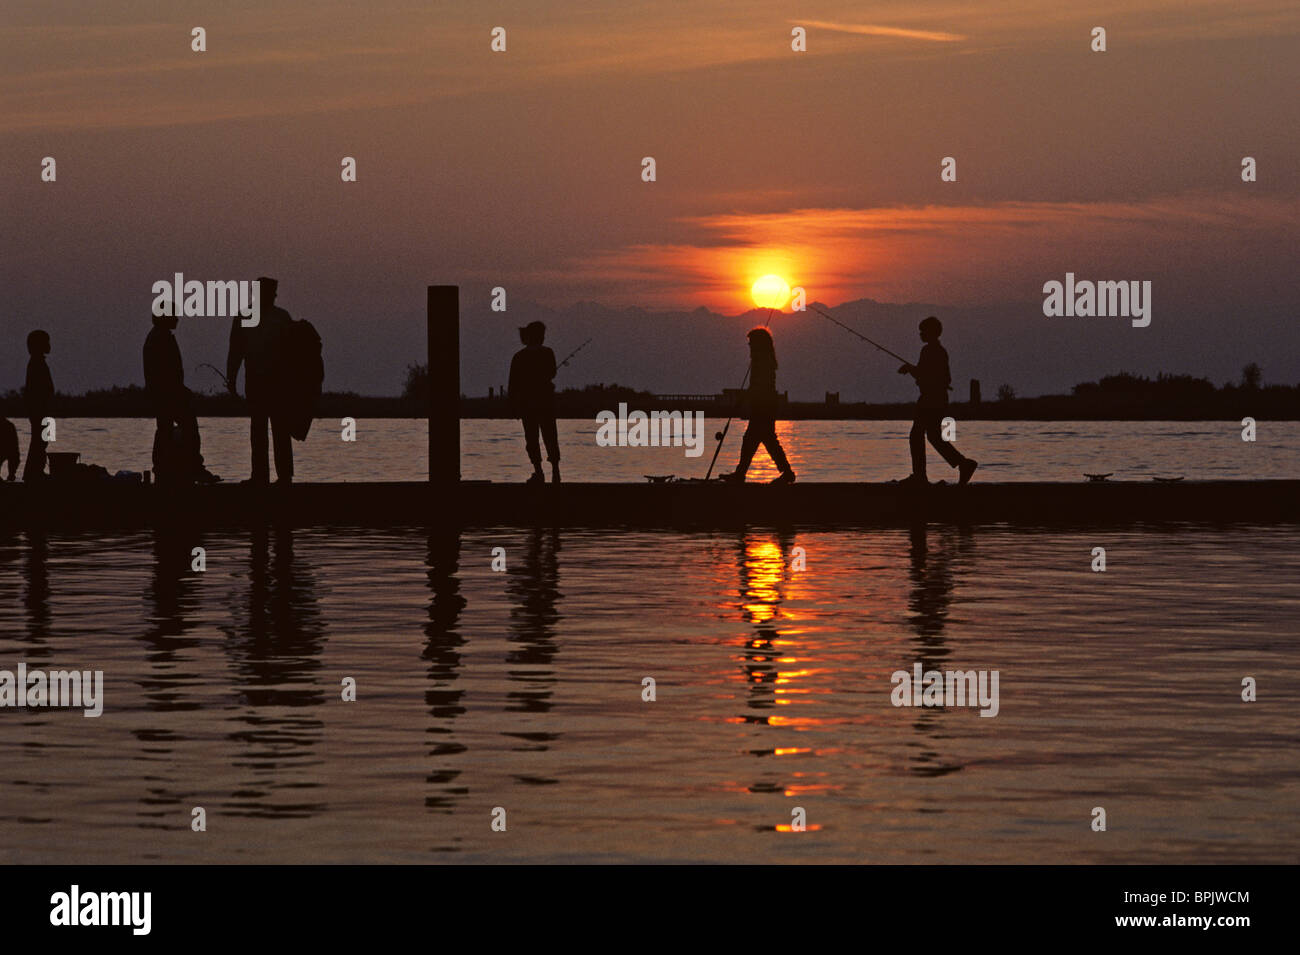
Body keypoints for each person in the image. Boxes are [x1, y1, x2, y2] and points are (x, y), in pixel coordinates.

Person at [897, 316, 977, 485]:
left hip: (930, 399)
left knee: (916, 434)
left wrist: (910, 369)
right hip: (939, 399)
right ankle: (963, 463)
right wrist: (913, 370)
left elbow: (923, 374)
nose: (920, 334)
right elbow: (937, 375)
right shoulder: (940, 351)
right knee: (933, 436)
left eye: (923, 331)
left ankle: (920, 476)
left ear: (931, 333)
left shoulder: (929, 350)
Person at [227, 276, 293, 484]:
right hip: (259, 383)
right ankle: (265, 476)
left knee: (274, 430)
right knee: (263, 430)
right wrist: (231, 378)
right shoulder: (254, 317)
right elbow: (236, 351)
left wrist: (232, 379)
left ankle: (277, 476)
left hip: (275, 383)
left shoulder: (280, 318)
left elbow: (294, 353)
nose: (272, 297)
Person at [143, 312, 219, 484]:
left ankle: (164, 470)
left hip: (165, 395)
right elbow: (165, 372)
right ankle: (193, 468)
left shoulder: (158, 337)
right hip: (168, 396)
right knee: (188, 427)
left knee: (166, 431)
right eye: (173, 316)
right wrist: (179, 391)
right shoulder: (159, 339)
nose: (177, 319)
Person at [721, 327, 795, 484]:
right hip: (765, 405)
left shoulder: (761, 362)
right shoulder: (763, 361)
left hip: (763, 406)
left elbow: (758, 386)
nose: (749, 346)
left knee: (759, 439)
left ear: (758, 344)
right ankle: (742, 473)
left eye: (751, 343)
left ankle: (784, 472)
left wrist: (743, 399)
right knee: (759, 439)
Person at [508, 321, 560, 484]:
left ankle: (538, 471)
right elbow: (552, 373)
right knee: (550, 436)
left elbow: (513, 384)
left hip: (527, 404)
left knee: (531, 438)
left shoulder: (519, 356)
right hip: (546, 403)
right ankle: (556, 472)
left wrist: (514, 405)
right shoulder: (548, 353)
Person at [23, 330, 54, 482]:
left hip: (45, 410)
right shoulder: (36, 363)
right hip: (40, 411)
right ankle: (33, 473)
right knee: (39, 441)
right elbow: (36, 390)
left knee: (44, 440)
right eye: (46, 342)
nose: (49, 345)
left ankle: (36, 471)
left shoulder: (39, 362)